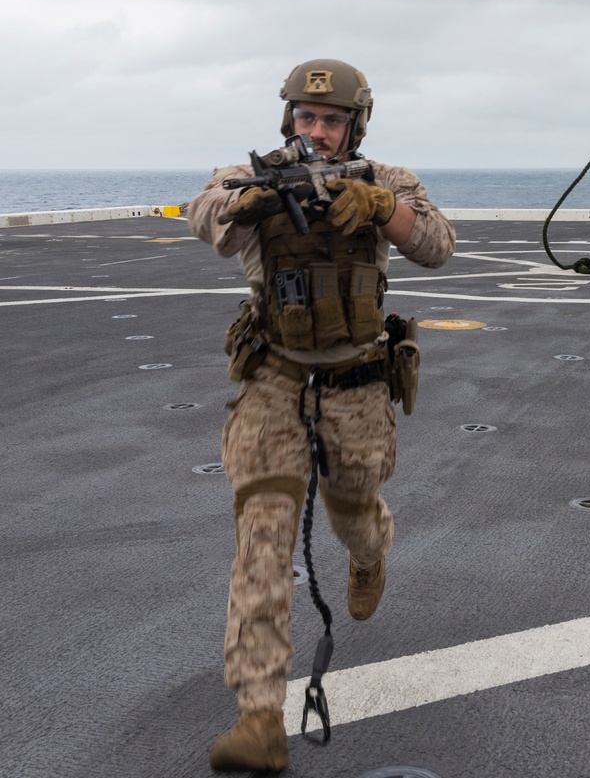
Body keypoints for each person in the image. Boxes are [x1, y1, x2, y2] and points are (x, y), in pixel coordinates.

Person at [188, 59, 455, 773]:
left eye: (332, 120)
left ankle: (370, 554)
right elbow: (205, 214)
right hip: (273, 381)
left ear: (354, 125)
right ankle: (259, 718)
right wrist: (243, 206)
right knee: (262, 540)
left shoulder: (387, 179)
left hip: (357, 384)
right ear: (288, 120)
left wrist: (381, 208)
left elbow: (437, 245)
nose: (317, 130)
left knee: (354, 507)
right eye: (306, 118)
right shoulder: (249, 177)